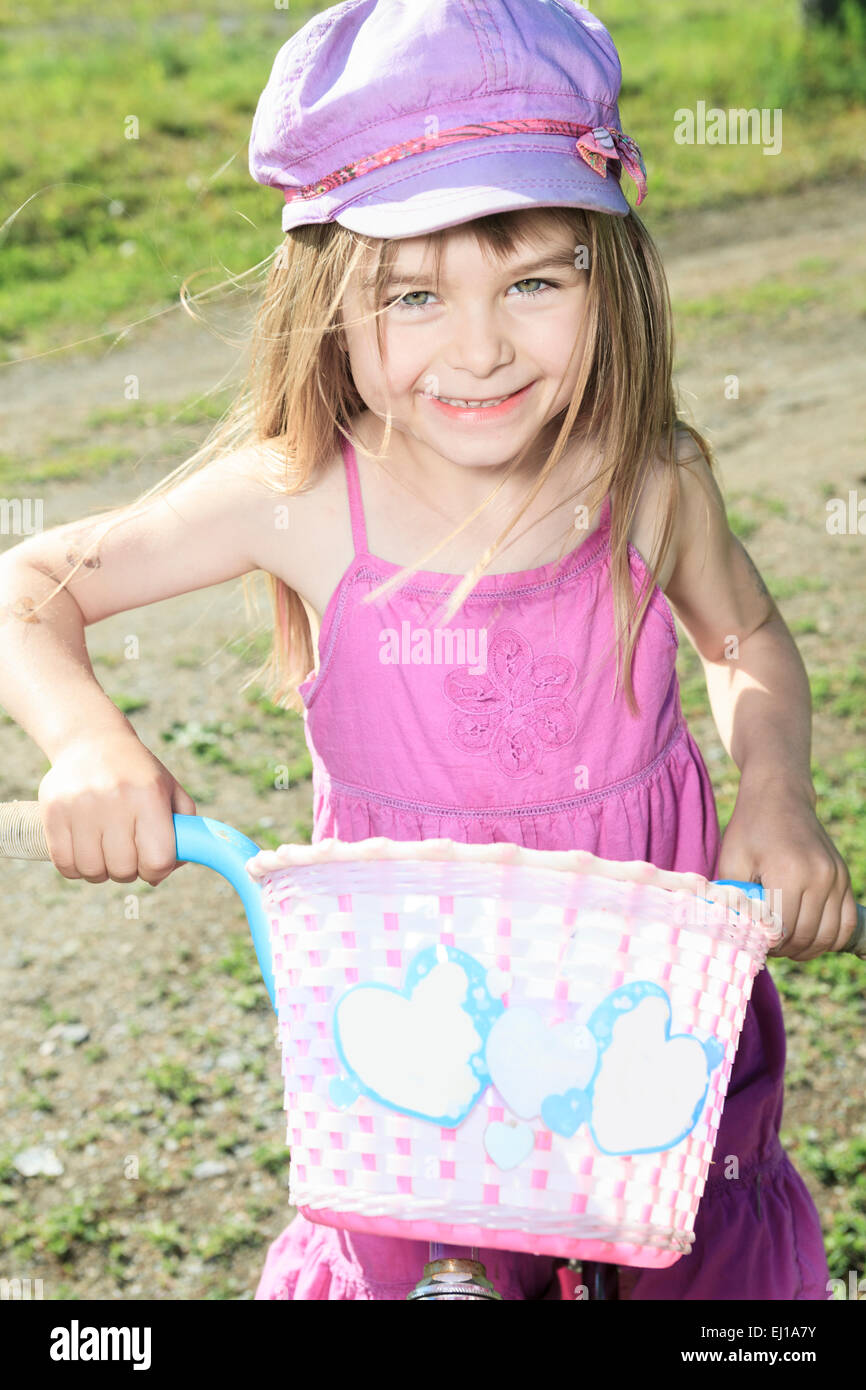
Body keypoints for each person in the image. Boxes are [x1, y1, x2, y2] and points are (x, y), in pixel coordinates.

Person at [0, 0, 857, 1300]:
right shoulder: (298, 494)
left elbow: (743, 634)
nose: (478, 348)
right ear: (327, 300)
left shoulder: (645, 477)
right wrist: (90, 747)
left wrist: (776, 794)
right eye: (412, 294)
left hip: (648, 1016)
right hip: (420, 1044)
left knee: (693, 1266)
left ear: (605, 267)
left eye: (531, 280)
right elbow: (26, 589)